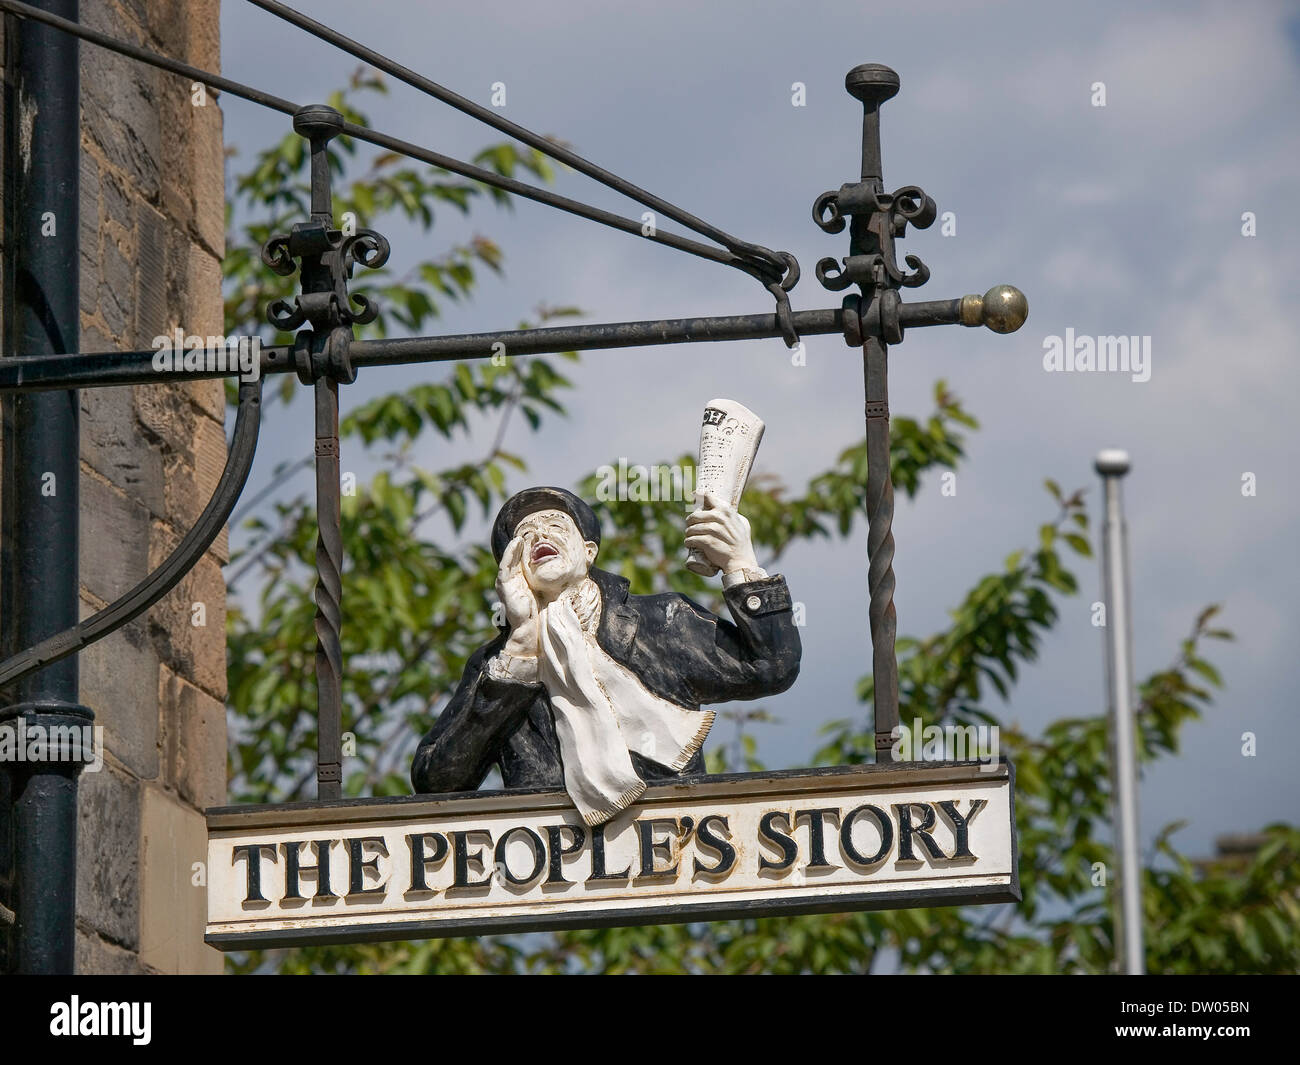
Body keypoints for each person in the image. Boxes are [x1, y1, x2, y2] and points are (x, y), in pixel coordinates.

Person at [411, 486, 800, 825]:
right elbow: (437, 781)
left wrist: (740, 564)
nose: (539, 534)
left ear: (588, 551)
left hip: (675, 839)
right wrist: (521, 652)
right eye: (524, 534)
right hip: (556, 868)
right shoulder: (497, 665)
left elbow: (769, 667)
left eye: (556, 525)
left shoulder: (661, 620)